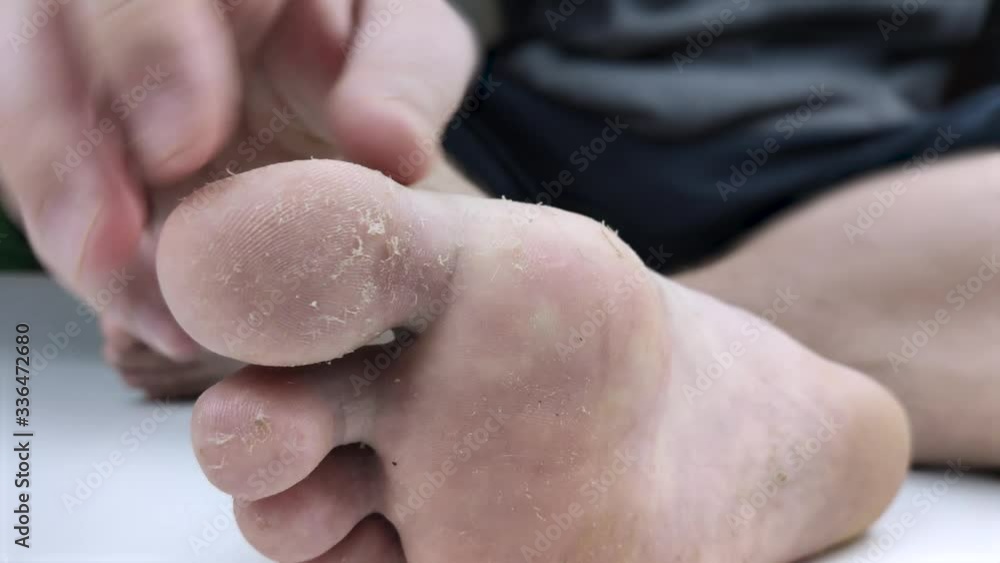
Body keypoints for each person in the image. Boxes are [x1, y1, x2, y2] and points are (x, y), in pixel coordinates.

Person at [0, 1, 993, 561]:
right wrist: (328, 39)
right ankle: (428, 268)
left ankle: (632, 349)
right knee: (334, 160)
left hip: (894, 184)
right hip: (494, 139)